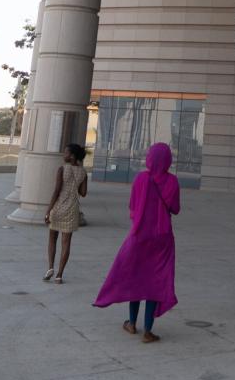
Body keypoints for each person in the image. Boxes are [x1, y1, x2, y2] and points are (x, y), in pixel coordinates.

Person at [93, 142, 180, 342]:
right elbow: (175, 209)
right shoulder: (172, 181)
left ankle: (132, 323)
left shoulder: (141, 179)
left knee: (136, 277)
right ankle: (148, 331)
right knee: (155, 281)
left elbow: (132, 207)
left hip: (140, 235)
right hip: (163, 238)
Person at [43, 142, 87, 283]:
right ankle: (59, 275)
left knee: (52, 239)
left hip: (59, 207)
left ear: (72, 156)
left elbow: (56, 191)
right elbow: (83, 193)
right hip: (72, 209)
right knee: (66, 243)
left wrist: (48, 211)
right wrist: (76, 185)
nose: (64, 155)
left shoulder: (62, 169)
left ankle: (50, 267)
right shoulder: (83, 172)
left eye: (66, 153)